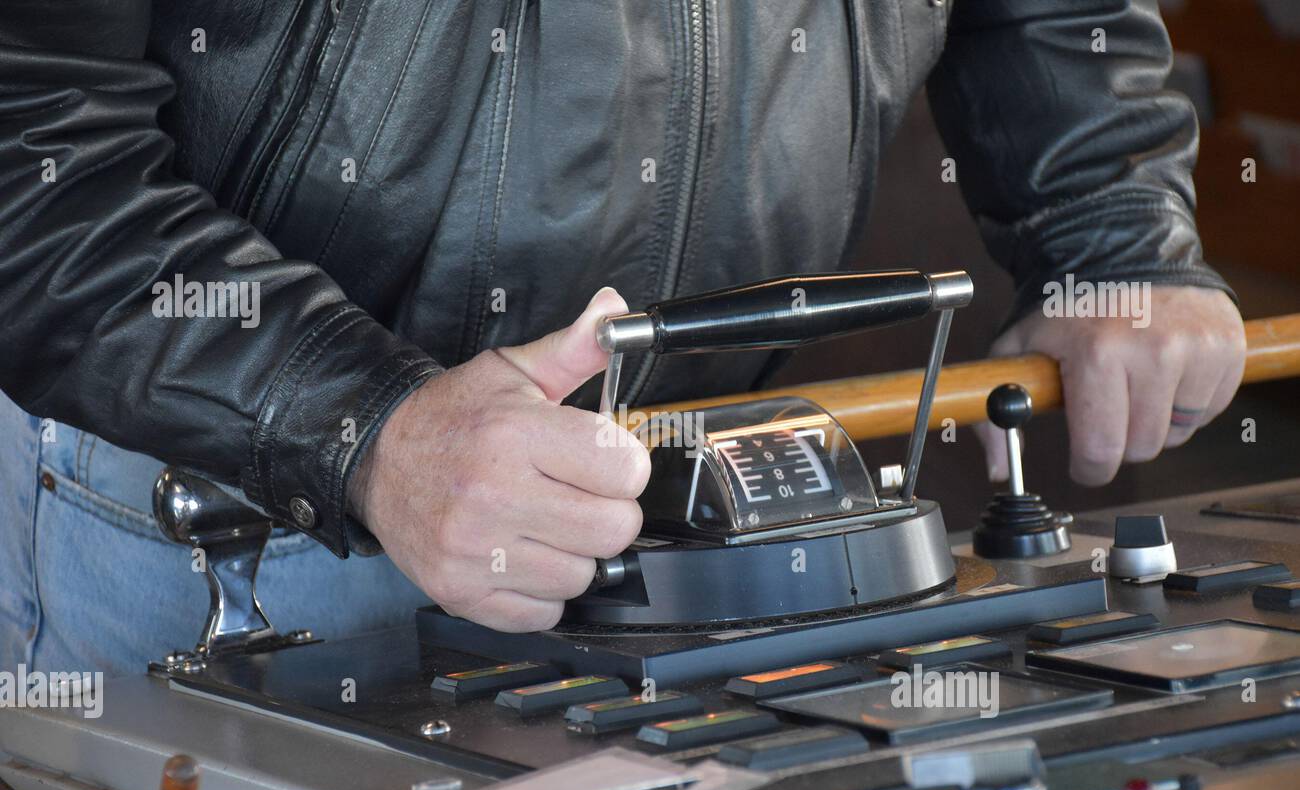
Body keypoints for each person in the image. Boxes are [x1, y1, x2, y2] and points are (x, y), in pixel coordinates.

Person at [0, 1, 1245, 674]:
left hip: (701, 503)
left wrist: (1109, 228)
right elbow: (29, 146)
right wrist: (362, 425)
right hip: (233, 506)